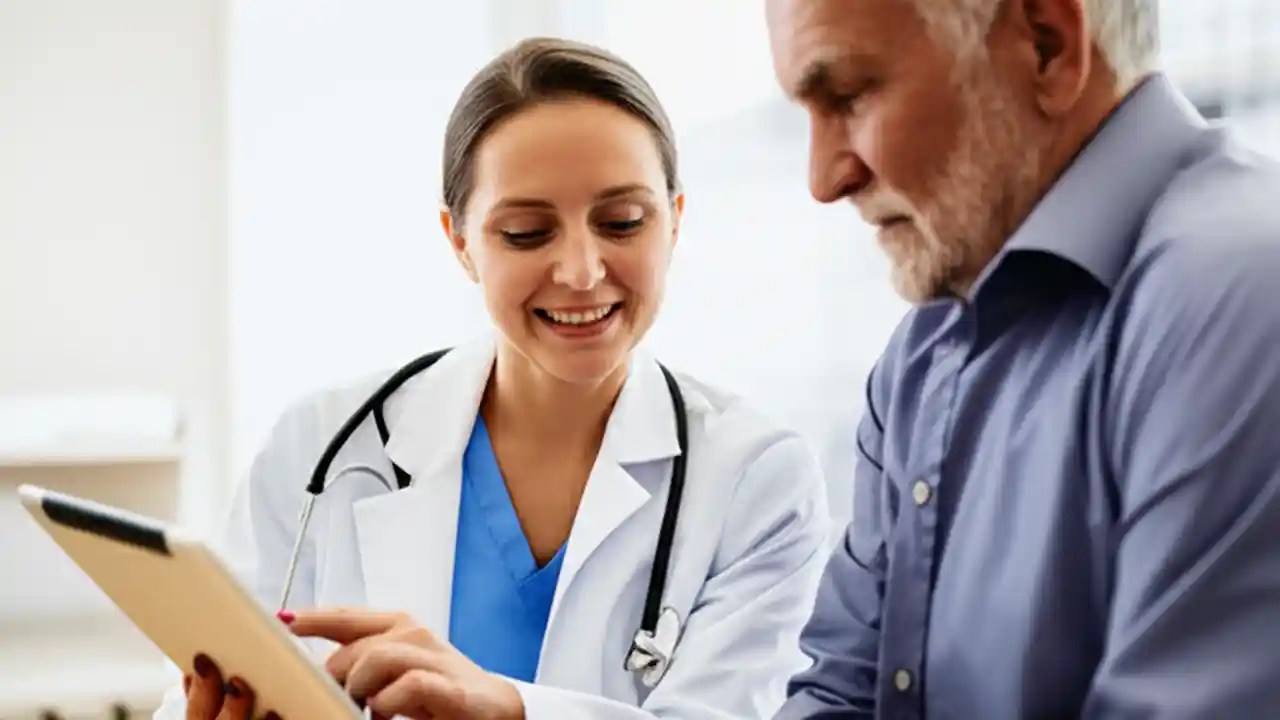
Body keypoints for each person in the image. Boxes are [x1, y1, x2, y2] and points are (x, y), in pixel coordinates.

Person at [155, 37, 831, 720]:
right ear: (460, 243)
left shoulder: (757, 480)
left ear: (675, 221)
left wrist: (510, 709)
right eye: (528, 233)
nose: (582, 271)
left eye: (622, 222)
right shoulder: (322, 447)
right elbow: (199, 685)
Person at [765, 0, 1280, 717]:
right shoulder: (921, 358)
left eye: (850, 97)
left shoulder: (1240, 299)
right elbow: (840, 689)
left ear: (1046, 47)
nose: (824, 178)